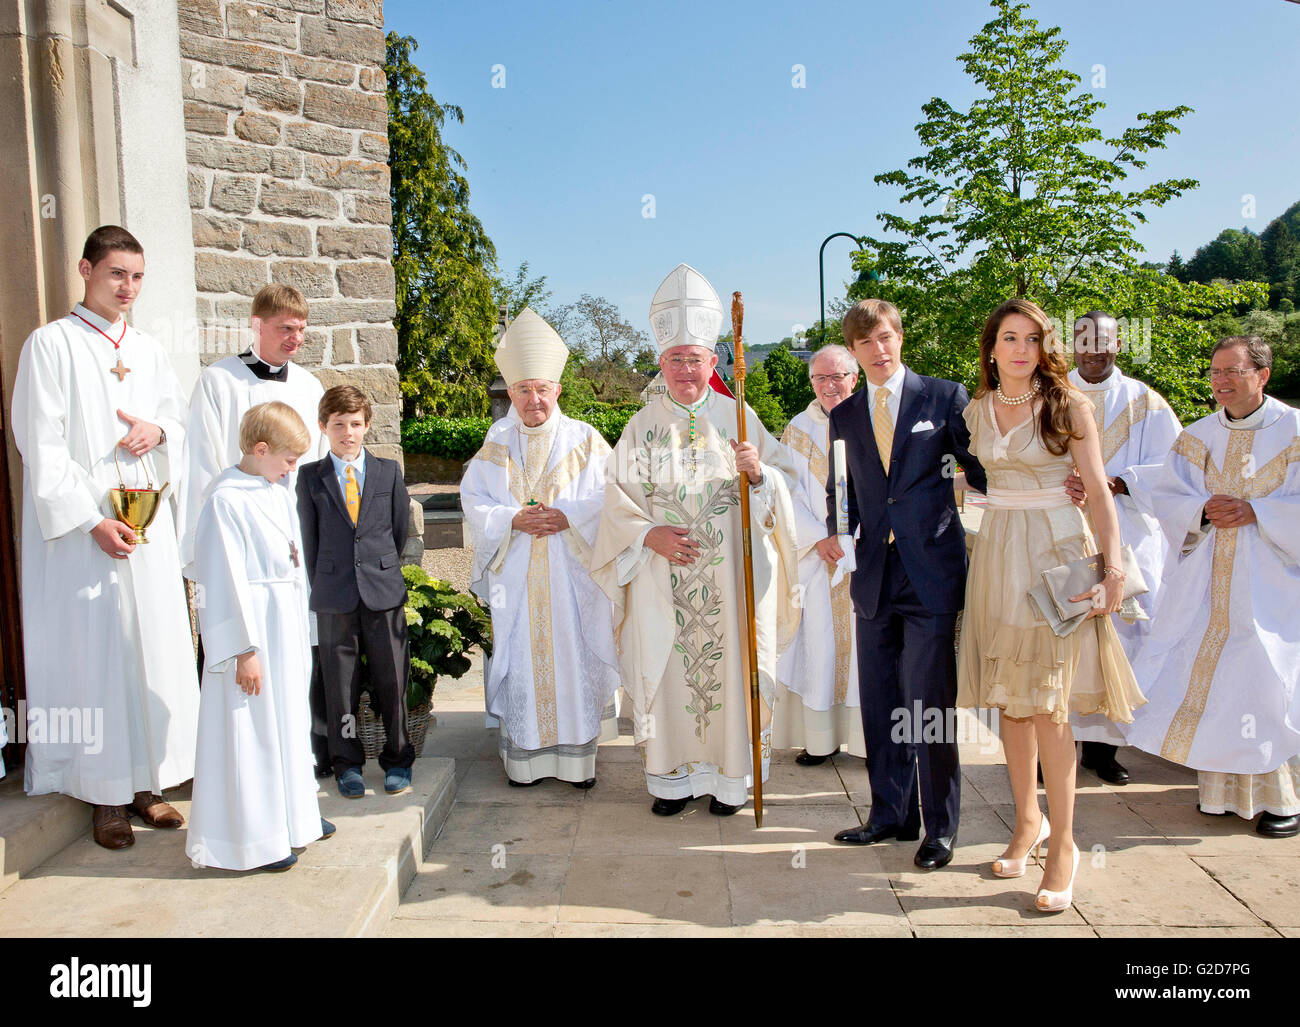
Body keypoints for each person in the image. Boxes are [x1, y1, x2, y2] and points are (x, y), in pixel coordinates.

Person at [11, 225, 199, 849]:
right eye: (117, 273)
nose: (128, 287)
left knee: (148, 646)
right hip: (82, 537)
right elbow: (39, 445)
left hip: (144, 524)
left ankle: (149, 784)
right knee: (96, 656)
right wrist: (91, 521)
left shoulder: (147, 350)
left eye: (138, 276)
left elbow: (178, 420)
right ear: (87, 270)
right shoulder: (50, 345)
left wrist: (158, 432)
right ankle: (105, 796)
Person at [591, 263, 801, 817]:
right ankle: (672, 780)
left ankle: (731, 780)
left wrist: (760, 476)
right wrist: (648, 535)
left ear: (715, 363)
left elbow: (783, 491)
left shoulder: (740, 417)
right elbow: (615, 504)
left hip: (730, 584)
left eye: (696, 359)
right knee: (668, 673)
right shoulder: (638, 428)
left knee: (730, 674)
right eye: (675, 359)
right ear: (660, 364)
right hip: (663, 583)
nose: (686, 369)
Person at [957, 298, 1144, 912]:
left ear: (1044, 347)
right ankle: (1025, 823)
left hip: (1056, 557)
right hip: (997, 557)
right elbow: (971, 484)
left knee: (1050, 706)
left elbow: (1097, 493)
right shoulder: (974, 411)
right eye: (1009, 337)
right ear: (991, 347)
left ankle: (1063, 844)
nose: (1020, 349)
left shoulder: (1069, 405)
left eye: (1032, 339)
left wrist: (1113, 567)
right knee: (1014, 705)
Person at [818, 299, 986, 870]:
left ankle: (939, 828)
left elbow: (981, 467)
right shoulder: (843, 416)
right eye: (866, 343)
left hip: (931, 576)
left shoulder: (944, 396)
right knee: (883, 703)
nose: (879, 350)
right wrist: (835, 532)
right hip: (874, 580)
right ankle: (890, 815)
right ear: (856, 351)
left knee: (928, 706)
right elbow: (843, 493)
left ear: (900, 337)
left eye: (886, 337)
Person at [1124, 337, 1300, 838]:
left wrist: (1258, 512)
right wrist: (1200, 511)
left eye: (1233, 372)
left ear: (1262, 375)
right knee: (1219, 683)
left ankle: (1281, 798)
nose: (1221, 382)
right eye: (1215, 372)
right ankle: (1222, 792)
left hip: (1274, 588)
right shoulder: (1197, 436)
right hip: (1207, 584)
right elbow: (1168, 495)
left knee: (1267, 685)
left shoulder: (1295, 431)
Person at [460, 308, 621, 787]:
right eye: (524, 390)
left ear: (558, 391)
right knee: (523, 660)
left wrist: (567, 514)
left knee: (574, 654)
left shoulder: (586, 439)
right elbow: (473, 498)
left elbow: (612, 493)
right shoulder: (497, 441)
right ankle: (525, 762)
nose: (534, 399)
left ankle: (577, 763)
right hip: (517, 576)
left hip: (571, 573)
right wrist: (512, 518)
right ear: (511, 394)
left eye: (542, 389)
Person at [177, 282, 329, 773]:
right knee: (238, 671)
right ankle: (232, 781)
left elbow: (317, 471)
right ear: (256, 325)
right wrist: (203, 556)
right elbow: (201, 467)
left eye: (301, 329)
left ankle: (292, 785)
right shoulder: (218, 381)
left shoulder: (308, 387)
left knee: (290, 671)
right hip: (237, 546)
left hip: (288, 549)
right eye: (285, 328)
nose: (295, 338)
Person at [186, 402, 334, 872]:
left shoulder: (273, 487)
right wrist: (243, 650)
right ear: (261, 448)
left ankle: (294, 817)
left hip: (283, 625)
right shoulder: (226, 499)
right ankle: (253, 839)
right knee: (251, 731)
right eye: (289, 459)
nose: (294, 469)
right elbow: (222, 579)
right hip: (253, 634)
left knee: (287, 722)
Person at [1066, 311, 1181, 785]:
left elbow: (1175, 466)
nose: (1095, 350)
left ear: (1119, 344)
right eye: (1085, 341)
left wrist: (1120, 482)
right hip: (1064, 530)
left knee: (1121, 639)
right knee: (1063, 634)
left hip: (1128, 537)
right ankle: (1053, 747)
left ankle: (1104, 747)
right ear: (1073, 344)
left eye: (1105, 341)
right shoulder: (1051, 392)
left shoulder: (1146, 402)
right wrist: (1063, 485)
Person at [297, 385, 414, 798]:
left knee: (392, 678)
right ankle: (347, 763)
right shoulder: (310, 478)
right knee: (340, 684)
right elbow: (309, 542)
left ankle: (398, 757)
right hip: (334, 595)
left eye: (356, 424)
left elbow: (400, 532)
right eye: (339, 425)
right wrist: (327, 580)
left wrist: (381, 568)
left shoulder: (387, 472)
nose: (348, 433)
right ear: (323, 427)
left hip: (383, 592)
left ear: (367, 426)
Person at [773, 344, 866, 765]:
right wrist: (821, 538)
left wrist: (858, 537)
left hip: (868, 554)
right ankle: (820, 740)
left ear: (855, 377)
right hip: (817, 557)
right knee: (819, 645)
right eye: (820, 378)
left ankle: (869, 742)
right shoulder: (797, 429)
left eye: (837, 377)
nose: (829, 386)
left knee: (870, 652)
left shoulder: (873, 417)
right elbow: (785, 491)